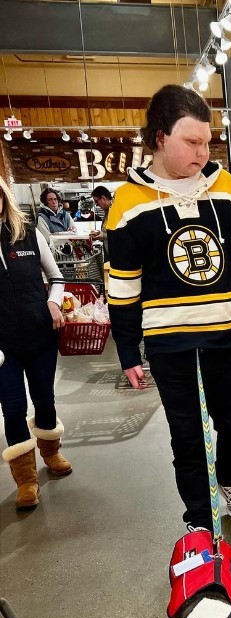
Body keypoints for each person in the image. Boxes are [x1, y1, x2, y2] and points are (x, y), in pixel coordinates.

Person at [107, 84, 231, 530]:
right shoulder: (127, 204)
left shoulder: (227, 189)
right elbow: (122, 286)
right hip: (167, 339)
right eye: (191, 142)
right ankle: (199, 516)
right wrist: (128, 351)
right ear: (160, 137)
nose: (202, 152)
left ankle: (230, 476)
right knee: (186, 433)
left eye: (206, 141)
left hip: (227, 330)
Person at [0, 176, 73, 510]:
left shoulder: (28, 232)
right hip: (3, 348)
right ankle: (26, 480)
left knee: (45, 398)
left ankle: (52, 453)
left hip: (40, 334)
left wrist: (54, 302)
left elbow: (56, 276)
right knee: (13, 408)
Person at [91, 185, 113, 254]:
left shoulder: (116, 212)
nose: (97, 205)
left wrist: (104, 236)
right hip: (110, 256)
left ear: (103, 198)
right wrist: (99, 233)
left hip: (119, 257)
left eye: (97, 201)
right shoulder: (107, 212)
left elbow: (121, 235)